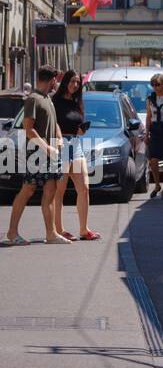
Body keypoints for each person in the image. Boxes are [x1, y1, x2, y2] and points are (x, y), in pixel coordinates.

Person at [2, 67, 68, 246]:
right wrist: (47, 148)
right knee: (28, 189)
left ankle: (51, 234)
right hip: (36, 153)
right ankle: (12, 232)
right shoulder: (33, 99)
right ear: (51, 79)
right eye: (56, 79)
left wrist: (60, 140)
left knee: (50, 191)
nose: (57, 83)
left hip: (50, 153)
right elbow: (28, 128)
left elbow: (54, 124)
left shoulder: (48, 98)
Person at [52, 71, 99, 241]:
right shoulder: (55, 101)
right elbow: (53, 123)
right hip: (61, 146)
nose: (75, 85)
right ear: (65, 82)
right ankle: (59, 229)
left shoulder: (77, 101)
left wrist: (81, 129)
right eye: (72, 81)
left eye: (78, 82)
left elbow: (77, 122)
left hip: (76, 145)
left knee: (84, 188)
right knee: (59, 190)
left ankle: (83, 229)